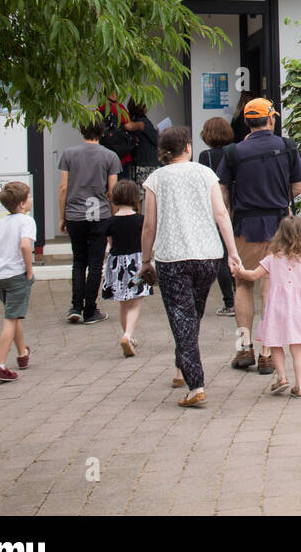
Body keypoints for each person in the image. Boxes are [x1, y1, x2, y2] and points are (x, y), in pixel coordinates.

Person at [140, 125, 240, 408]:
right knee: (191, 313)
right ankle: (179, 367)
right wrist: (231, 252)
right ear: (187, 148)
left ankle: (195, 384)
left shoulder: (155, 179)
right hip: (208, 255)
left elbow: (149, 225)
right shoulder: (205, 173)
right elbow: (221, 214)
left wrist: (146, 260)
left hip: (172, 257)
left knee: (182, 316)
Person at [216, 98, 301, 374]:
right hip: (280, 225)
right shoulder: (287, 147)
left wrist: (233, 212)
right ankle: (268, 351)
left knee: (243, 285)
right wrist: (280, 199)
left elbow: (222, 192)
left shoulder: (233, 152)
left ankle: (244, 349)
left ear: (246, 122)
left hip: (246, 226)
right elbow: (299, 187)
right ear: (271, 119)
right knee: (272, 285)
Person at [232, 216, 301, 398]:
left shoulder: (271, 259)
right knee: (298, 349)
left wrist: (240, 271)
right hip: (299, 310)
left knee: (275, 344)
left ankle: (281, 378)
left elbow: (253, 276)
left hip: (277, 310)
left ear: (279, 236)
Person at [58, 120, 121, 324]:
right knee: (95, 264)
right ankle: (90, 310)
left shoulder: (68, 154)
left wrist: (62, 216)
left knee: (78, 261)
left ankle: (75, 306)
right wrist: (114, 218)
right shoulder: (110, 156)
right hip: (99, 214)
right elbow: (112, 191)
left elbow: (63, 187)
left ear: (82, 129)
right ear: (102, 132)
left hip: (75, 214)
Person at [0, 181, 36, 382]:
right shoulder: (26, 221)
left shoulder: (0, 223)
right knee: (10, 319)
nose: (31, 200)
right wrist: (29, 270)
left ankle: (22, 354)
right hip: (16, 276)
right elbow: (25, 246)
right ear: (21, 204)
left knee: (13, 313)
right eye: (29, 197)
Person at [102, 179, 150, 357]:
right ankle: (128, 334)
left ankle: (126, 335)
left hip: (116, 265)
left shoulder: (110, 222)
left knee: (123, 302)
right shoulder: (141, 220)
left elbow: (110, 243)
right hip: (136, 264)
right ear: (136, 198)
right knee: (136, 302)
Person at [197, 116, 237, 316]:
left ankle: (229, 303)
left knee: (223, 255)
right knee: (237, 251)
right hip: (237, 206)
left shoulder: (206, 156)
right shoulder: (235, 151)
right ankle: (241, 296)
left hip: (216, 207)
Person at [123, 99, 160, 185]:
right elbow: (157, 140)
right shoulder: (144, 122)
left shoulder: (130, 119)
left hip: (134, 163)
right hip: (147, 164)